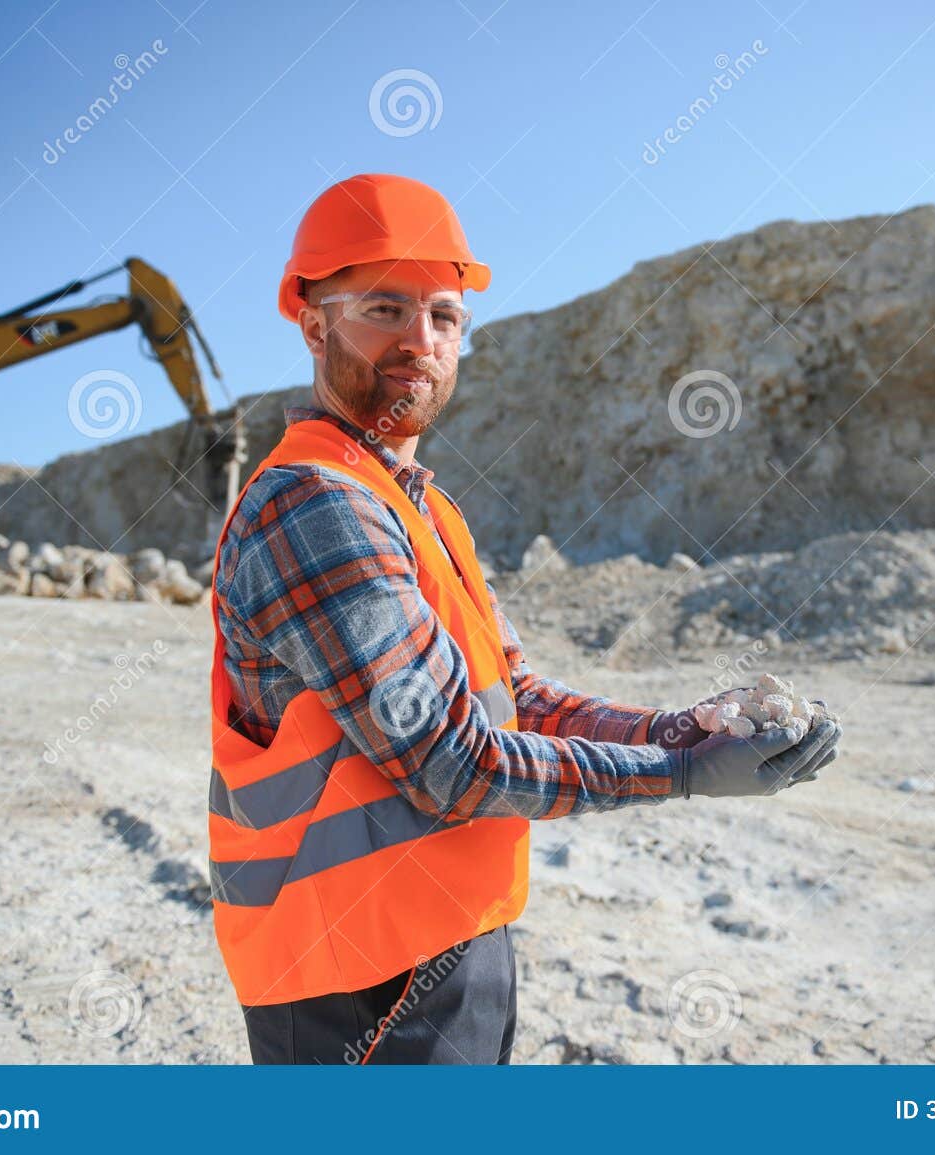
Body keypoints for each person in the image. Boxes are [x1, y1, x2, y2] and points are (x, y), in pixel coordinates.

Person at [207, 173, 842, 1065]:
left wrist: (679, 727)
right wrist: (684, 771)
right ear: (313, 320)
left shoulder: (418, 506)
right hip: (353, 982)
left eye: (442, 316)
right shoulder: (312, 506)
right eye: (384, 308)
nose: (418, 342)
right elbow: (450, 761)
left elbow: (516, 700)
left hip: (448, 939)